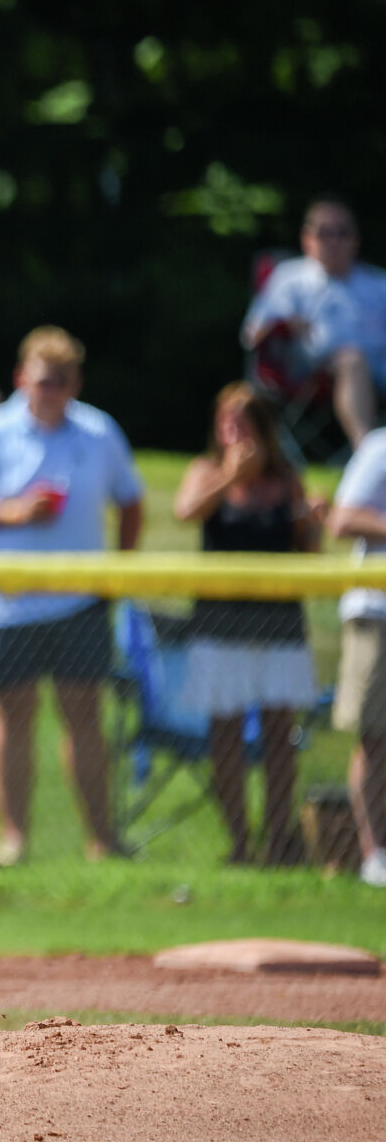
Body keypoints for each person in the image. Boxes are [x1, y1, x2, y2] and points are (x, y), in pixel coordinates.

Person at [0, 326, 143, 865]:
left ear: (76, 382)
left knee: (84, 717)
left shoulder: (98, 431)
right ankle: (14, 841)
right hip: (3, 605)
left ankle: (103, 841)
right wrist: (12, 511)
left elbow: (132, 501)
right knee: (14, 717)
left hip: (77, 601)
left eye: (62, 381)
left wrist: (114, 574)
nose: (51, 390)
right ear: (21, 377)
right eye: (43, 380)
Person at [173, 383, 320, 865]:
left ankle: (280, 840)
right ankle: (239, 841)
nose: (234, 433)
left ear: (263, 429)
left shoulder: (285, 479)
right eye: (226, 423)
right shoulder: (206, 471)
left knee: (281, 735)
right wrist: (228, 478)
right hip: (222, 625)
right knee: (227, 736)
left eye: (244, 423)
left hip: (278, 625)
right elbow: (186, 511)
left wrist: (312, 519)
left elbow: (308, 550)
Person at [242, 196, 386, 450]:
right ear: (306, 238)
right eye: (324, 233)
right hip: (310, 368)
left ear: (355, 239)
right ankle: (367, 454)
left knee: (356, 360)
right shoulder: (290, 278)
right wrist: (285, 324)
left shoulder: (378, 283)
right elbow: (252, 334)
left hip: (379, 365)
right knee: (353, 360)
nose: (333, 241)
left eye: (342, 233)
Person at [325, 428, 386, 889]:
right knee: (375, 735)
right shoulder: (379, 448)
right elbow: (341, 518)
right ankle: (375, 854)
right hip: (377, 612)